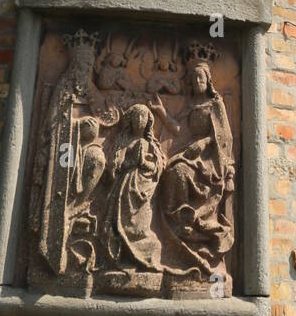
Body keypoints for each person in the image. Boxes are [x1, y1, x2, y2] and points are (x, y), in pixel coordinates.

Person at [152, 61, 235, 276]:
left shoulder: (216, 104)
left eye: (201, 78)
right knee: (173, 171)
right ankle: (178, 220)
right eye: (194, 78)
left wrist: (205, 143)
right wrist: (161, 113)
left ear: (208, 81)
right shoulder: (190, 105)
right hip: (192, 153)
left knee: (180, 170)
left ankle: (195, 226)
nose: (197, 81)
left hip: (210, 159)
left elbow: (224, 136)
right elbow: (178, 129)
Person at [101, 104, 164, 271]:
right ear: (130, 120)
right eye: (136, 117)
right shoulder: (124, 142)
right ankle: (122, 253)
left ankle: (140, 254)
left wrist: (145, 163)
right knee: (121, 223)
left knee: (142, 229)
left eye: (143, 117)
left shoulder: (150, 144)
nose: (139, 121)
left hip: (145, 189)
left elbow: (158, 167)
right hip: (125, 188)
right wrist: (130, 162)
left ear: (148, 122)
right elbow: (115, 166)